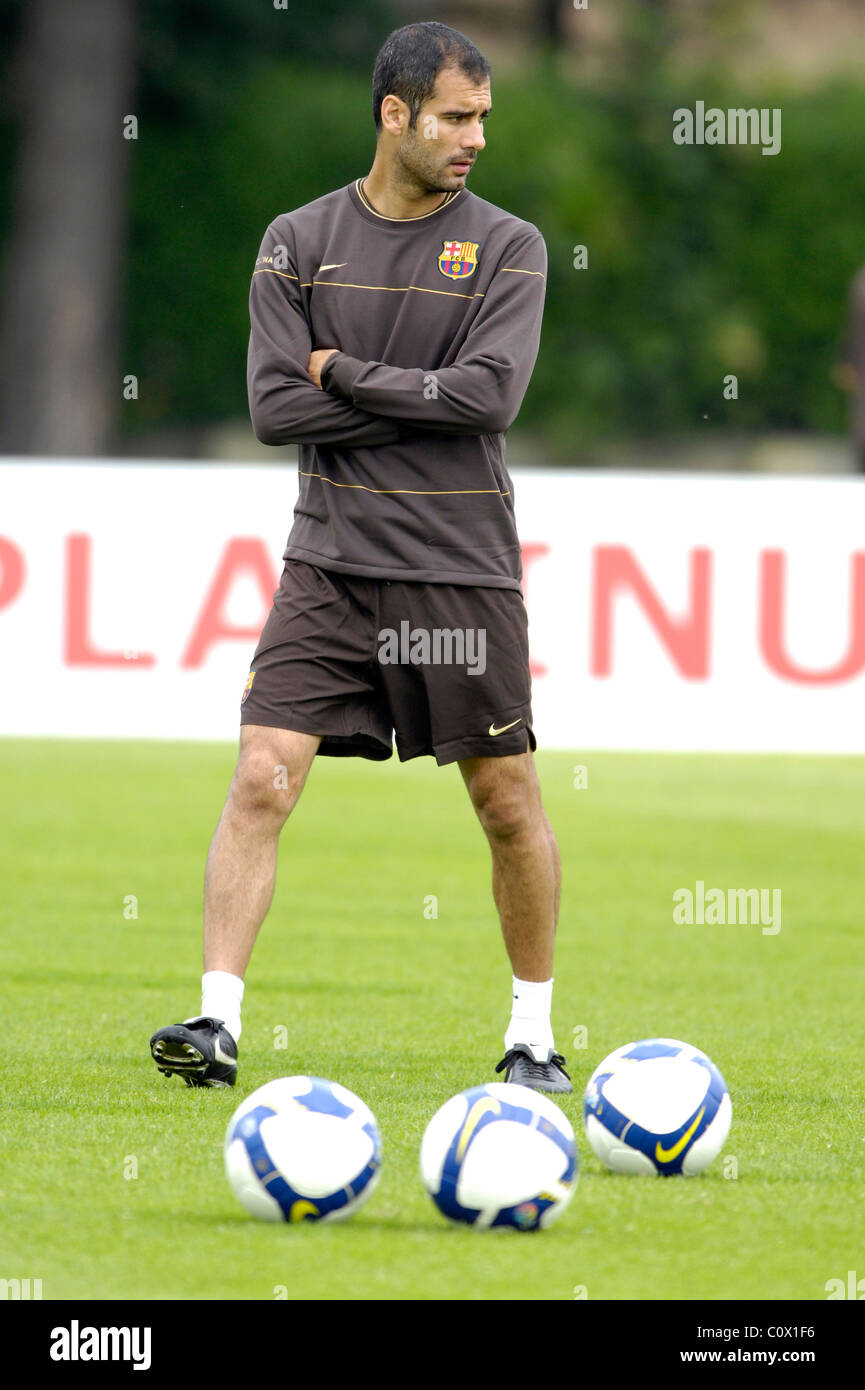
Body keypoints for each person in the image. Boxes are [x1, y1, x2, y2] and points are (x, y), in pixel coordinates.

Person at [150, 20, 571, 1094]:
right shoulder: (296, 239)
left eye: (483, 118)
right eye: (456, 117)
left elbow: (490, 397)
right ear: (395, 114)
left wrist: (343, 373)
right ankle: (214, 1020)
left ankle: (532, 1037)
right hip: (329, 564)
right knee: (259, 777)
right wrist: (406, 398)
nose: (476, 137)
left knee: (508, 800)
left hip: (459, 567)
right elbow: (271, 406)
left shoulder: (511, 244)